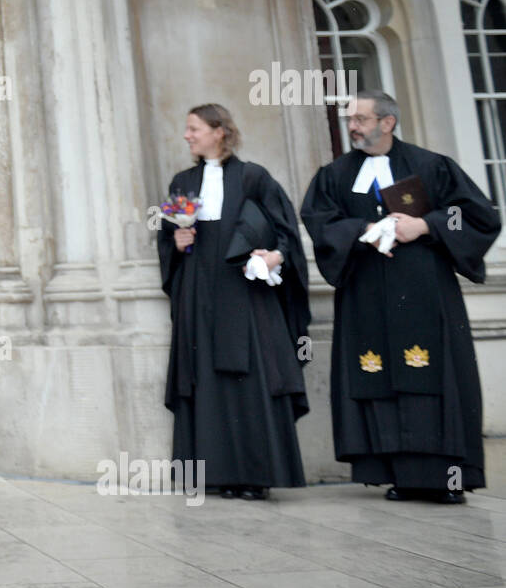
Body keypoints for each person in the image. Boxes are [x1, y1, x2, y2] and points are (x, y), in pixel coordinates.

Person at [301, 90, 501, 503]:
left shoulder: (432, 166)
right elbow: (320, 221)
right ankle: (397, 476)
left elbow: (477, 214)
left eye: (360, 119)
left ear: (387, 122)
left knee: (432, 375)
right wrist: (363, 232)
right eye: (350, 120)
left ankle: (447, 481)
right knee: (378, 376)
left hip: (424, 290)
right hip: (366, 292)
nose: (352, 126)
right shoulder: (335, 175)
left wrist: (425, 226)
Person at [157, 104, 312, 500]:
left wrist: (275, 256)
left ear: (219, 131)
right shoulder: (183, 182)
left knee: (251, 377)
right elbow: (169, 235)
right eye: (187, 129)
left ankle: (256, 475)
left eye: (194, 128)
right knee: (205, 375)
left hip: (245, 293)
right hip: (198, 293)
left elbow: (286, 233)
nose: (188, 136)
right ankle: (218, 474)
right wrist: (176, 242)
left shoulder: (253, 178)